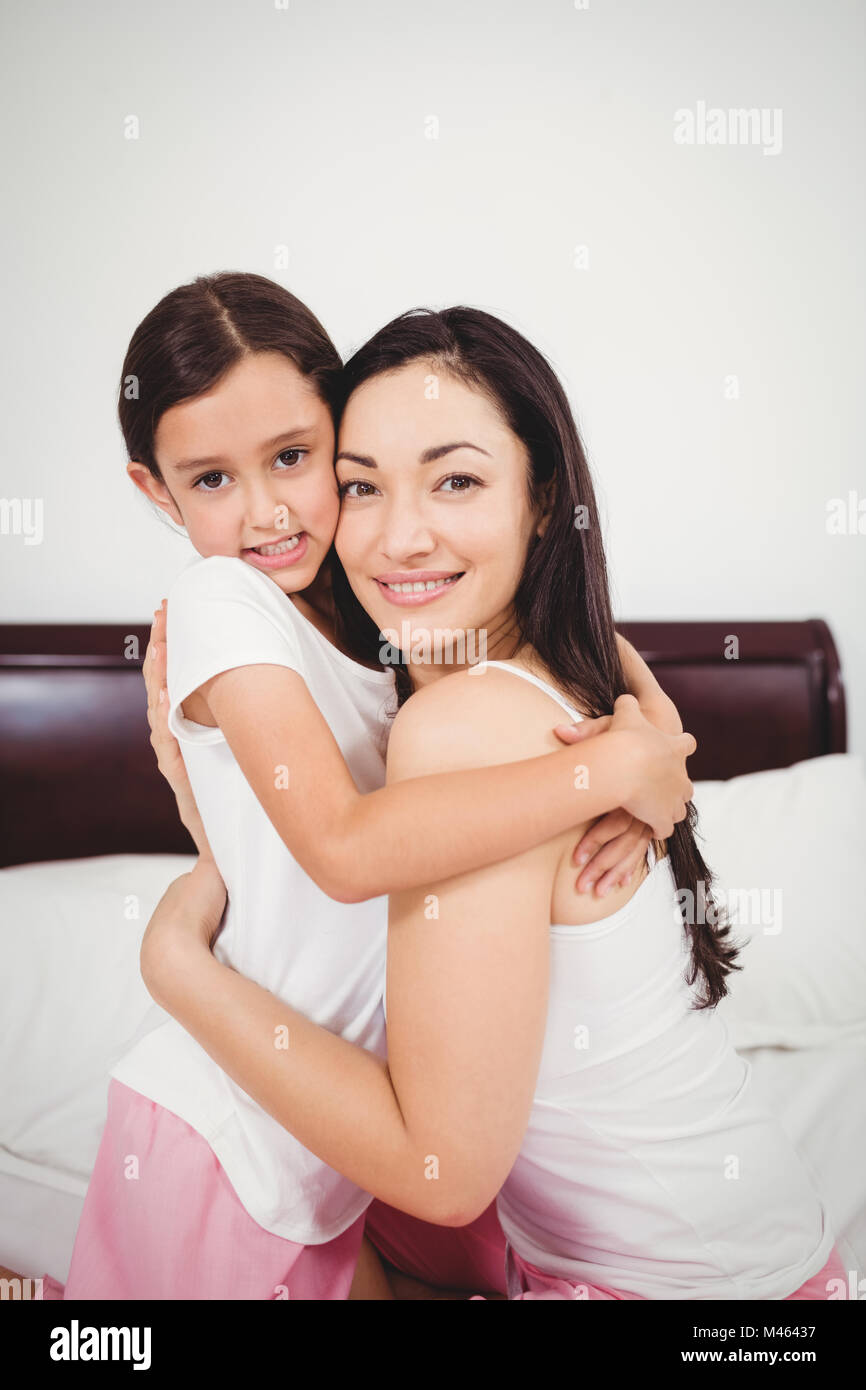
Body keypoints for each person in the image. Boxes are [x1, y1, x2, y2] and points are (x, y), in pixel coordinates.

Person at [137, 303, 845, 1300]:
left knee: (231, 1170)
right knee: (310, 1205)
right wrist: (193, 782)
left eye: (455, 480)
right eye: (359, 487)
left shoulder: (462, 727)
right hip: (775, 1266)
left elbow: (443, 1170)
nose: (399, 536)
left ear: (541, 498)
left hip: (683, 1296)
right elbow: (309, 867)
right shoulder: (558, 673)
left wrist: (179, 971)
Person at [36, 274, 692, 1301]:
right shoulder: (222, 598)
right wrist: (603, 767)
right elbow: (341, 848)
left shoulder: (378, 601)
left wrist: (661, 748)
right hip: (245, 1141)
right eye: (209, 480)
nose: (265, 512)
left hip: (358, 1144)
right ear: (153, 491)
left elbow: (558, 636)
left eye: (295, 460)